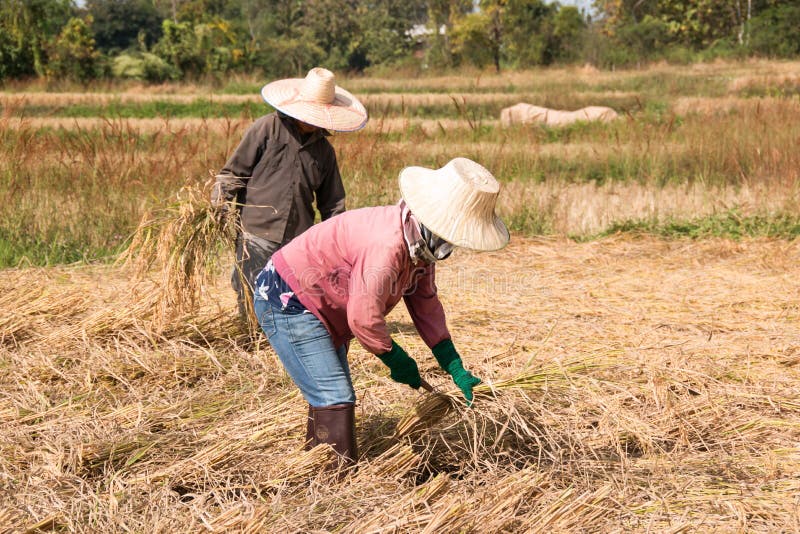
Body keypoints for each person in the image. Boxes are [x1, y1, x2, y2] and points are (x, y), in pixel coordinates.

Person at [253, 157, 510, 469]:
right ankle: (336, 482)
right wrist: (397, 359)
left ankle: (317, 467)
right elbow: (363, 317)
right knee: (334, 394)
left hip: (325, 306)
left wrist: (452, 364)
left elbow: (424, 301)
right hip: (289, 299)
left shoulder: (420, 247)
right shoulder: (388, 246)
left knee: (330, 393)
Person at [211, 67, 367, 322]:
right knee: (250, 291)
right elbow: (233, 173)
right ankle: (252, 340)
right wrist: (218, 207)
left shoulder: (324, 151)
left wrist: (338, 243)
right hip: (257, 232)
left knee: (291, 297)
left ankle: (282, 340)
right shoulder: (266, 129)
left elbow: (333, 203)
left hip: (298, 238)